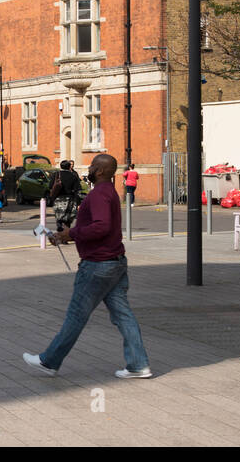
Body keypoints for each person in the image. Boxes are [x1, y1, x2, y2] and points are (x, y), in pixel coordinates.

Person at [22, 153, 152, 379]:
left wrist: (71, 234)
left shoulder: (99, 194)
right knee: (123, 315)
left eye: (92, 166)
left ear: (100, 171)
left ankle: (49, 361)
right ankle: (138, 365)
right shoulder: (108, 192)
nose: (89, 169)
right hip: (114, 262)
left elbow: (101, 226)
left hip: (98, 265)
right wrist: (66, 235)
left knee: (76, 314)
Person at [50, 159, 82, 231]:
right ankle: (66, 232)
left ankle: (59, 226)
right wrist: (78, 202)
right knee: (68, 218)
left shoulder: (56, 175)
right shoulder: (73, 176)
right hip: (69, 199)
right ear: (69, 167)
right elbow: (77, 190)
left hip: (58, 199)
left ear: (61, 166)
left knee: (59, 217)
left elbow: (50, 186)